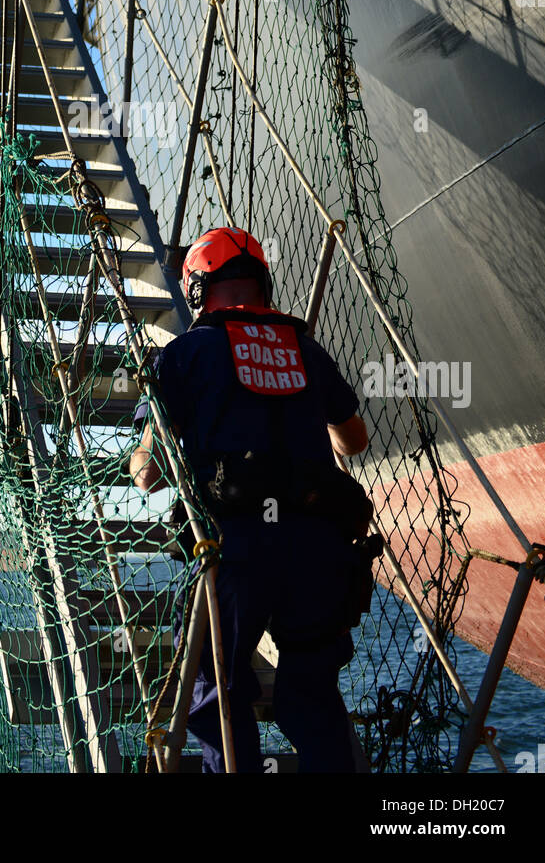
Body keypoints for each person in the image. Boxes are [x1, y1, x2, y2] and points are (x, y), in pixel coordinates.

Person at [129, 226, 371, 774]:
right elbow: (353, 440)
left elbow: (147, 473)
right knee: (309, 694)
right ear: (262, 282)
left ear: (194, 290)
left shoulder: (186, 354)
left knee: (217, 690)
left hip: (235, 552)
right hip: (318, 548)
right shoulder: (305, 347)